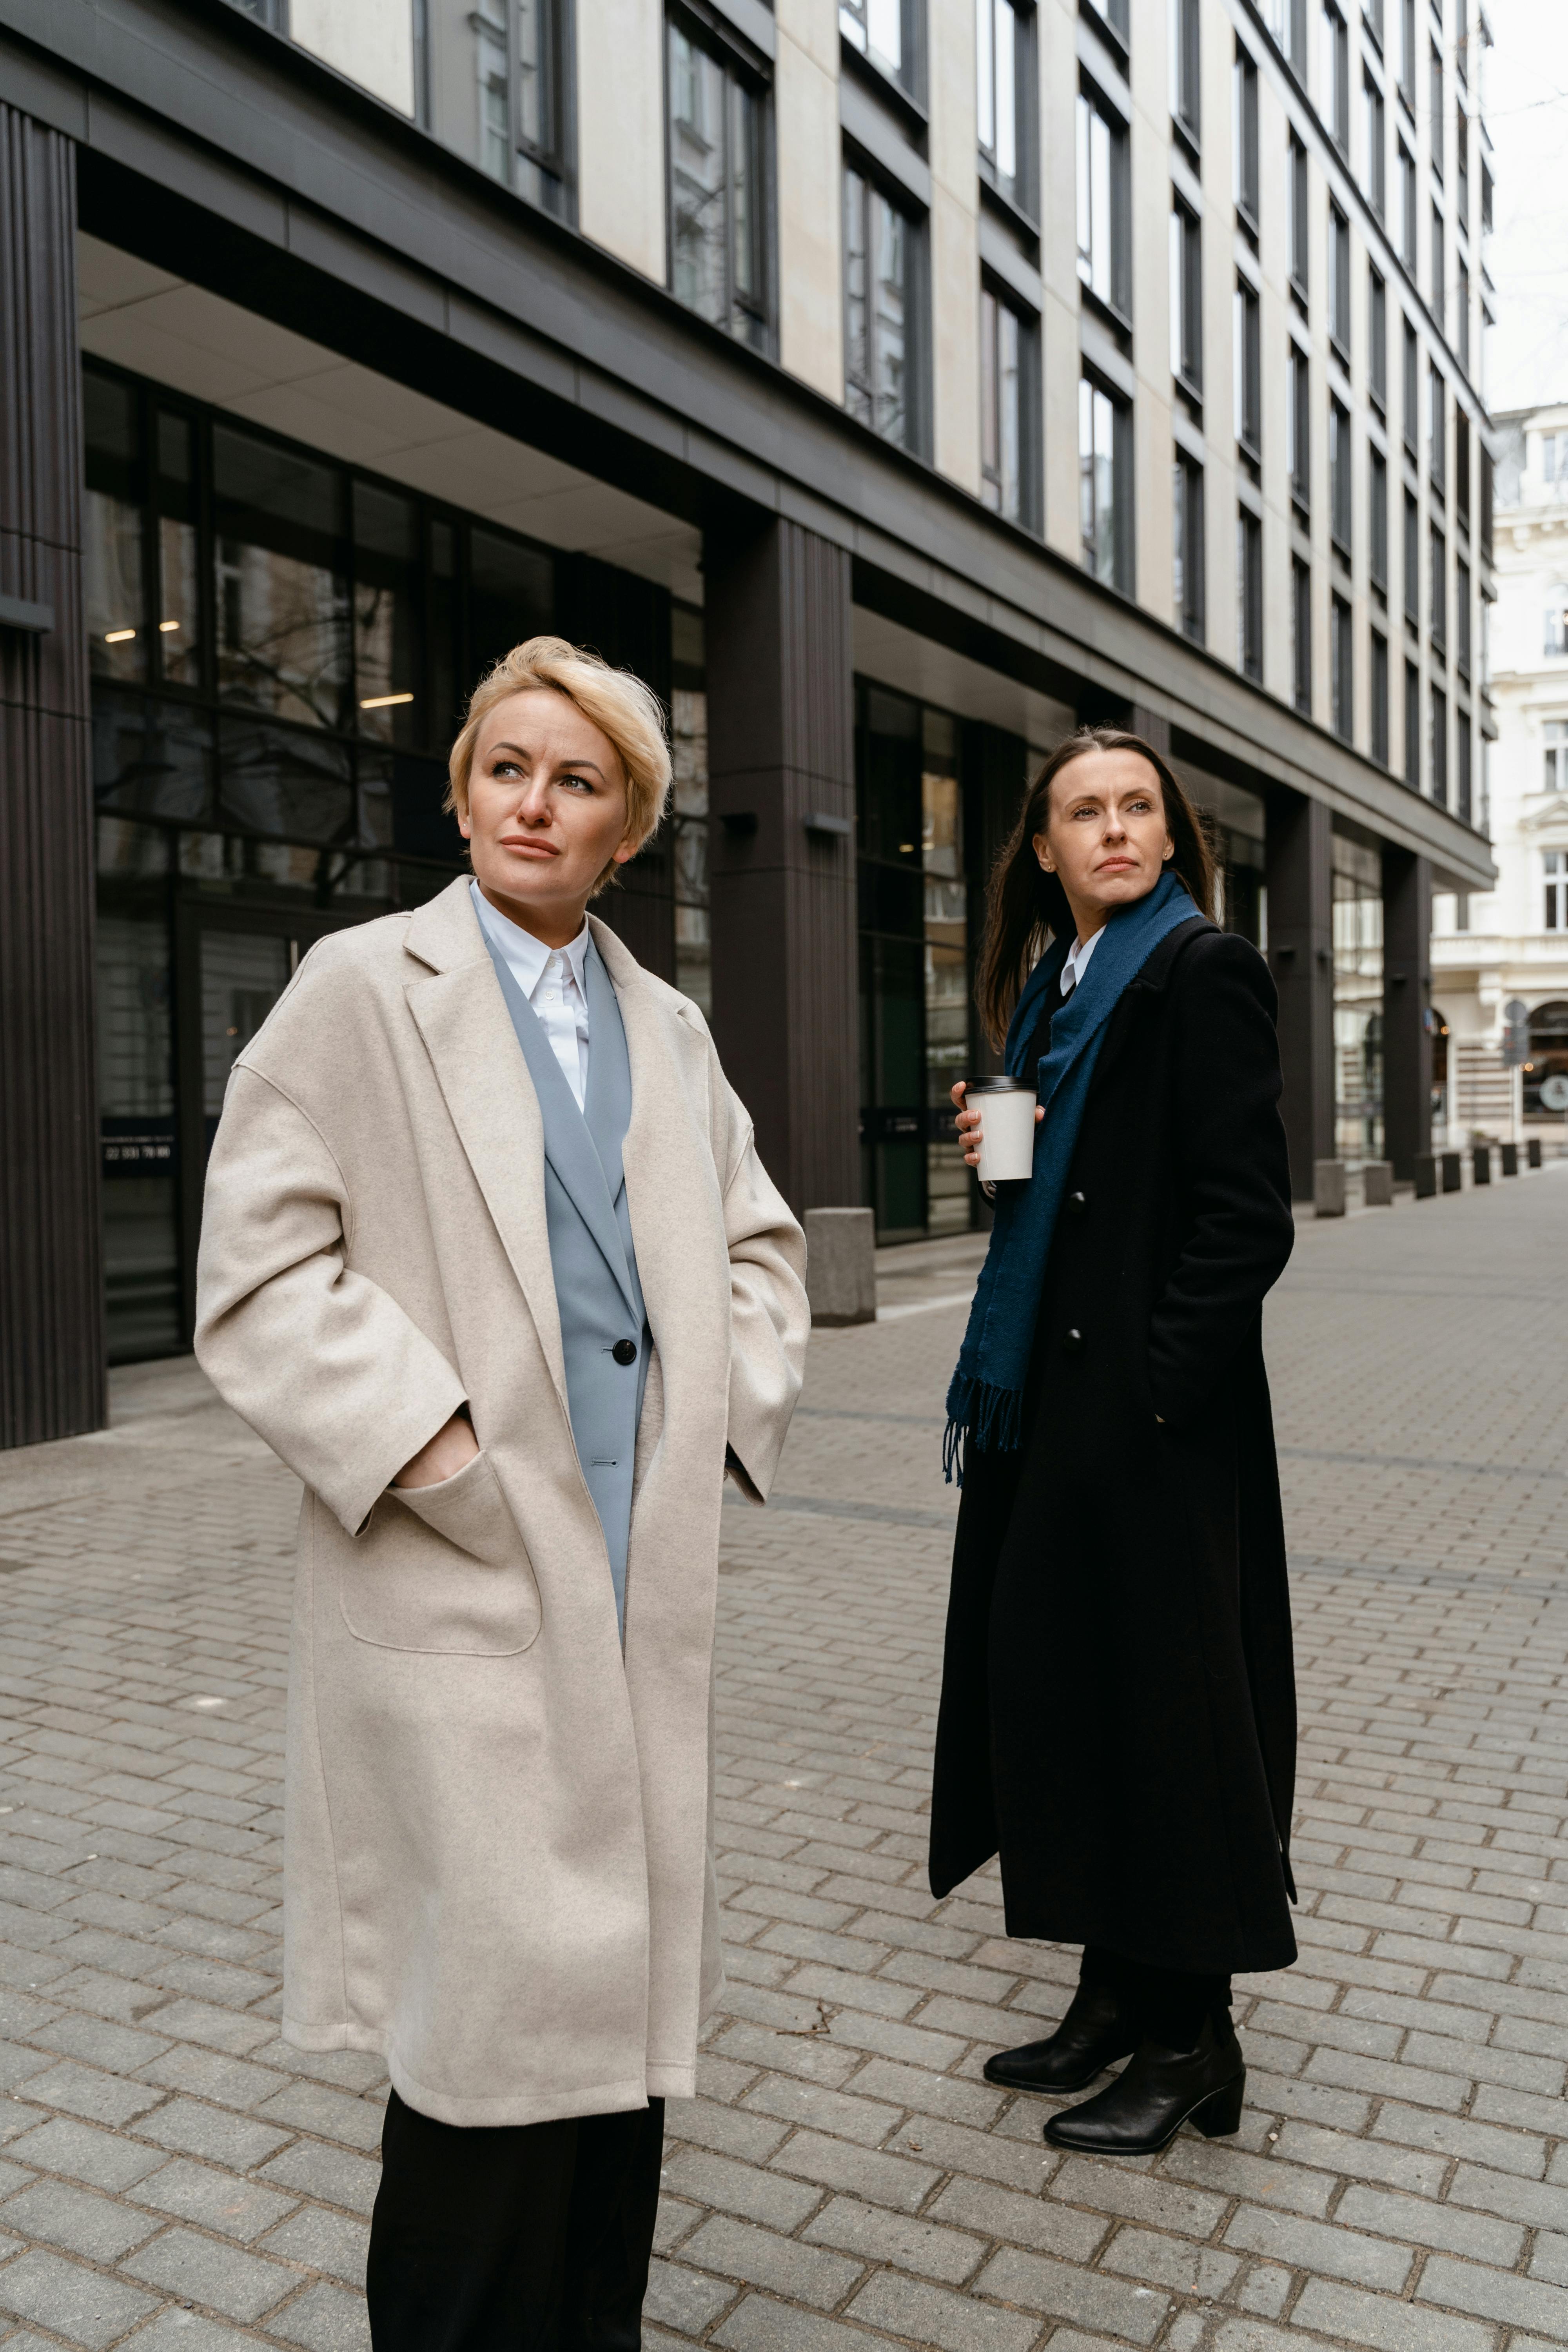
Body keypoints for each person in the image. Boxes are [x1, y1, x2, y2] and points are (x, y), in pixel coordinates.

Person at [194, 637, 809, 2347]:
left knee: (611, 2051)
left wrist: (721, 1415)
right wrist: (433, 1451)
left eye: (578, 780)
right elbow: (256, 1278)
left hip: (633, 1582)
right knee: (480, 2058)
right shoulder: (356, 989)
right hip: (456, 1577)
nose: (534, 804)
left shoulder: (667, 1026)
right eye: (506, 769)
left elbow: (760, 1248)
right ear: (461, 790)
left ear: (629, 829)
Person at [929, 726, 1297, 2159]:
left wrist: (1157, 1394)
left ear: (1170, 835)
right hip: (1047, 1414)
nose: (1116, 829)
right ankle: (1110, 1989)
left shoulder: (1201, 969)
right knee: (1071, 1693)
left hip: (1147, 1429)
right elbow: (1049, 1201)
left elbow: (1243, 1218)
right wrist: (1002, 1155)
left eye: (1139, 806)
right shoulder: (1056, 989)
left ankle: (1194, 2036)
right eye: (1086, 810)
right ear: (1045, 847)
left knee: (1167, 1714)